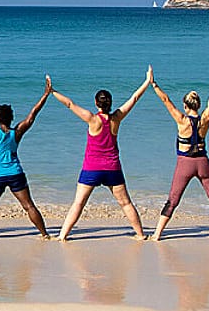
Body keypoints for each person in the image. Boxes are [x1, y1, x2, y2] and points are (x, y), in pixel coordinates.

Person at [51, 68, 152, 241]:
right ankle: (141, 234)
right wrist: (147, 81)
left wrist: (52, 91)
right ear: (110, 103)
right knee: (126, 203)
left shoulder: (92, 119)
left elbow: (69, 104)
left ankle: (62, 236)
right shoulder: (116, 118)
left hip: (91, 169)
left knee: (78, 203)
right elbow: (134, 98)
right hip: (113, 169)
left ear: (96, 103)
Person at [150, 54, 209, 241]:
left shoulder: (182, 120)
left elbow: (166, 101)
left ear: (185, 106)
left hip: (185, 164)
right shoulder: (205, 119)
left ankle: (157, 234)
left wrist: (153, 83)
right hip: (203, 163)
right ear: (198, 105)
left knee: (173, 200)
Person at [0, 76, 53, 240]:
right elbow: (33, 114)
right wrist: (46, 94)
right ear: (11, 117)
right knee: (28, 206)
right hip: (15, 174)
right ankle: (44, 234)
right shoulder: (17, 133)